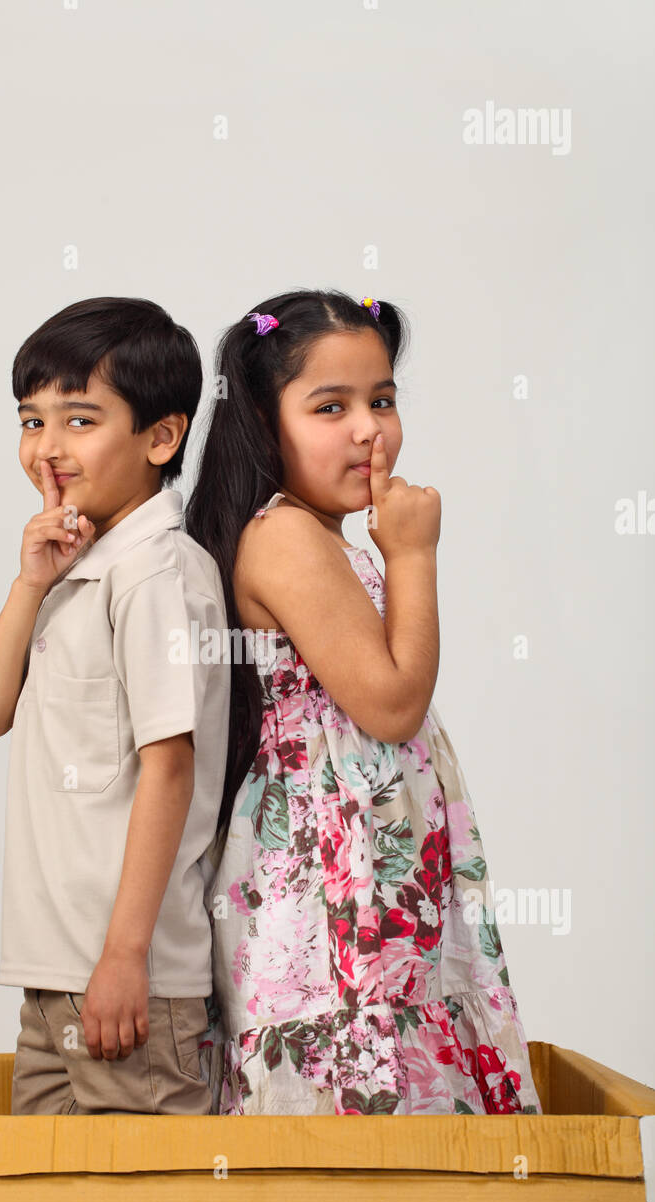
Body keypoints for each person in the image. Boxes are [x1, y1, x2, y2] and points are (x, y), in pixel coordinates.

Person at [184, 288, 542, 1116]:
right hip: (328, 888)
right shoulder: (282, 538)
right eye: (330, 406)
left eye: (381, 399)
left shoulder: (325, 537)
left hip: (376, 876)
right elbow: (389, 704)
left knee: (405, 1077)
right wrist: (414, 553)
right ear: (263, 424)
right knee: (352, 1087)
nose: (368, 429)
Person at [0, 296, 231, 1115]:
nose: (48, 447)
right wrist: (29, 583)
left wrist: (125, 957)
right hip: (54, 978)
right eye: (31, 420)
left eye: (79, 420)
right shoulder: (77, 567)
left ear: (161, 437)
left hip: (131, 983)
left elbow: (171, 768)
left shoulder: (156, 574)